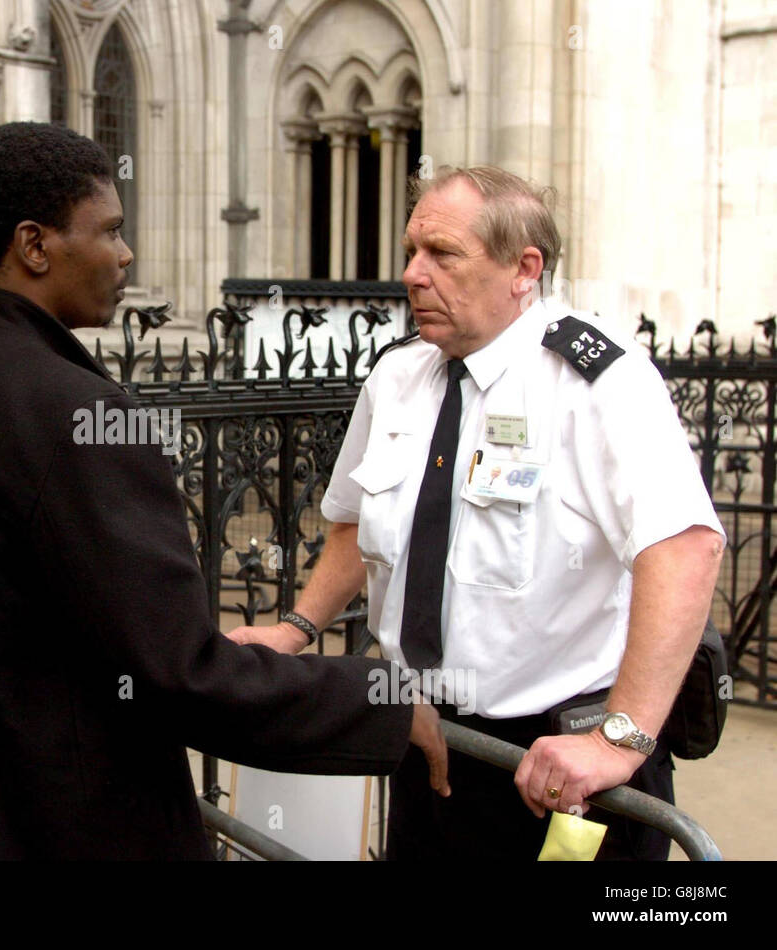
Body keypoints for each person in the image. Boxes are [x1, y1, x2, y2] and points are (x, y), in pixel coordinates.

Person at [0, 122, 448, 860]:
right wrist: (378, 702)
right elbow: (180, 672)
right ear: (35, 246)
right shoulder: (85, 416)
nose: (125, 254)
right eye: (109, 230)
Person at [229, 166, 725, 860]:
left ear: (524, 269)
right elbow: (353, 523)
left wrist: (620, 738)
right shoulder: (399, 376)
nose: (412, 273)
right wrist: (296, 627)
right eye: (411, 251)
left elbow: (686, 547)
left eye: (443, 254)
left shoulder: (594, 382)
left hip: (561, 772)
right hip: (423, 738)